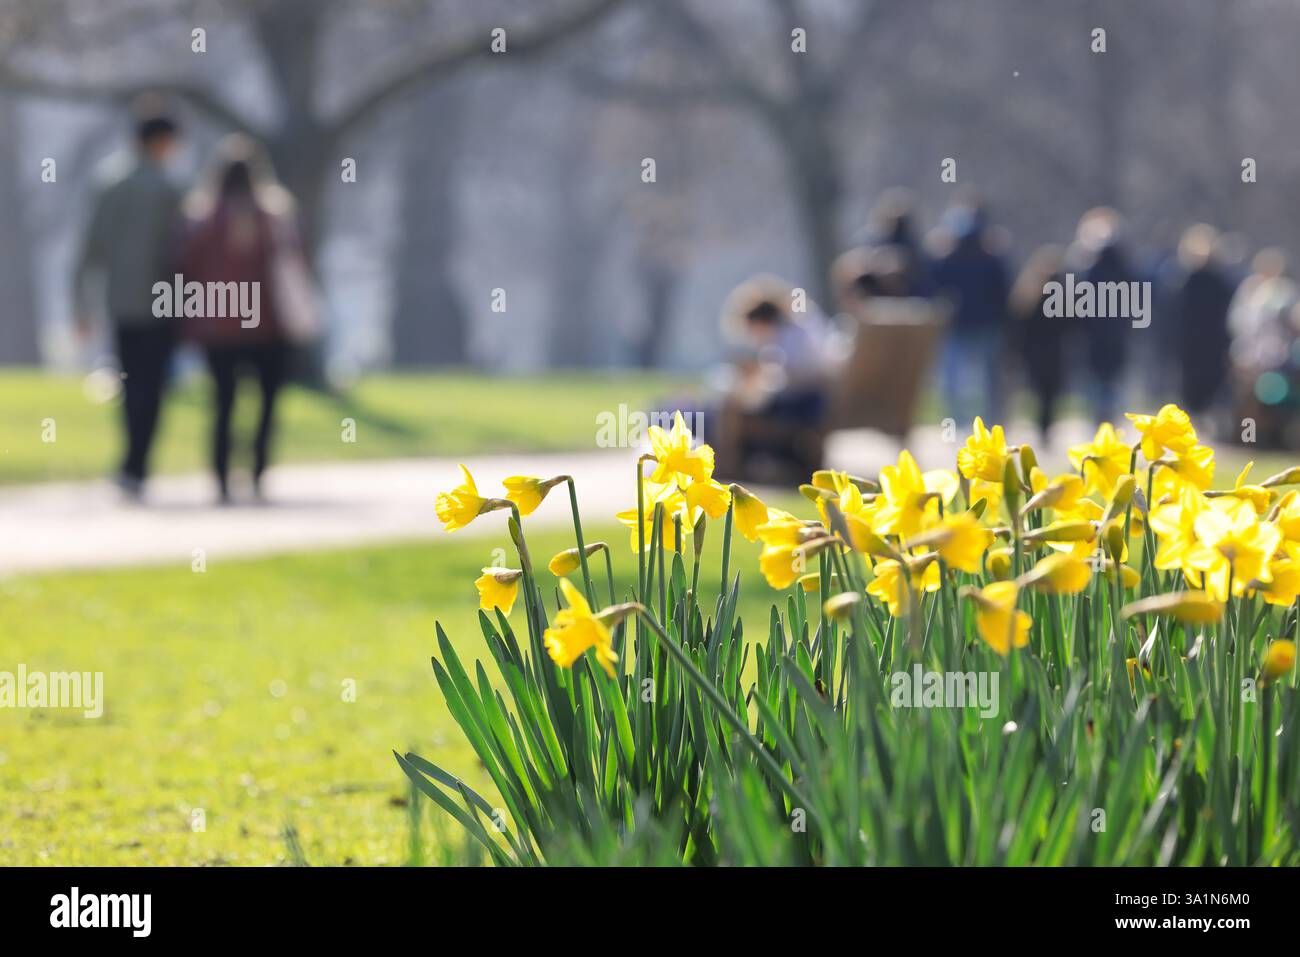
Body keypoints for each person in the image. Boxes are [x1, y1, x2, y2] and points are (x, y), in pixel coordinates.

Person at [179, 136, 303, 503]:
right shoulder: (276, 218)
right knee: (266, 404)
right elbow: (296, 266)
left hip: (218, 328)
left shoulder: (201, 220)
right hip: (268, 328)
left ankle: (220, 477)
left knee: (222, 403)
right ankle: (258, 472)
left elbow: (183, 268)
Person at [73, 100, 184, 499]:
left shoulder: (110, 183)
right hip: (163, 303)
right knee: (152, 387)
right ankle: (138, 463)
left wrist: (80, 306)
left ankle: (130, 464)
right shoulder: (170, 188)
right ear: (162, 141)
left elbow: (88, 250)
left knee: (129, 381)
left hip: (120, 303)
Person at [711, 275, 839, 480]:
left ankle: (726, 468)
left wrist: (750, 378)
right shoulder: (800, 329)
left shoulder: (784, 340)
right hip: (817, 401)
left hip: (804, 406)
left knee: (730, 408)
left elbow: (780, 381)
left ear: (759, 322)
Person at [931, 200, 1011, 423]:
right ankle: (988, 422)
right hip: (978, 325)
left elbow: (934, 288)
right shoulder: (992, 257)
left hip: (965, 325)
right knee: (982, 380)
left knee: (957, 379)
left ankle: (960, 422)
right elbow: (1003, 294)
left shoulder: (947, 256)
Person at [1069, 207, 1138, 425]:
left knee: (1095, 379)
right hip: (1116, 332)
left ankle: (1098, 420)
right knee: (1112, 379)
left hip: (1094, 333)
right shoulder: (1124, 267)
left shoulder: (1087, 268)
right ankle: (1109, 419)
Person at [1168, 225, 1235, 418]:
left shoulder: (1185, 280)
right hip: (1210, 341)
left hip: (1194, 342)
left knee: (1194, 384)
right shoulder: (1220, 280)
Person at [1010, 245, 1068, 442]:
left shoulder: (1028, 292)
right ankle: (1045, 428)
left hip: (1034, 352)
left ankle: (1040, 426)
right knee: (1050, 393)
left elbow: (1018, 325)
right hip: (1055, 350)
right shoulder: (1062, 293)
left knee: (1038, 392)